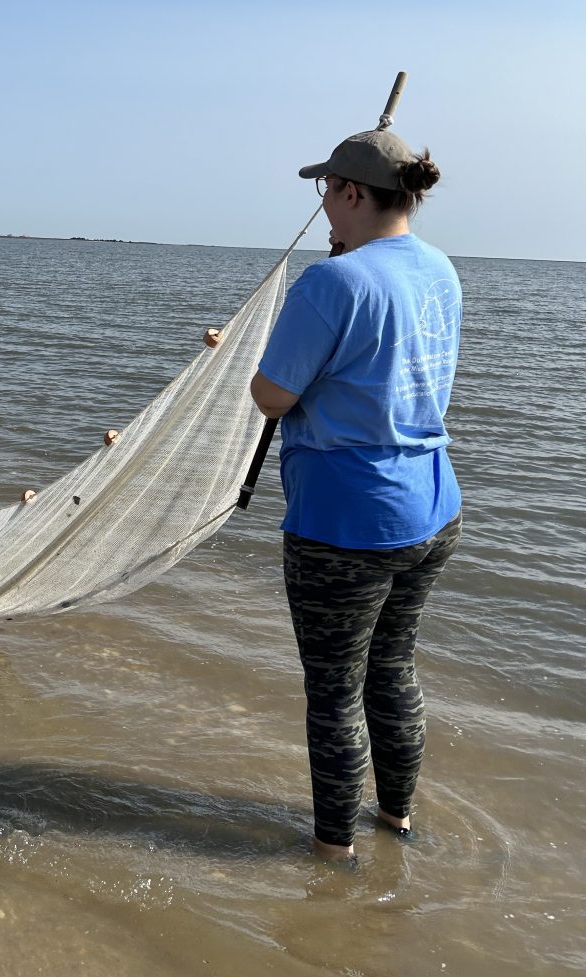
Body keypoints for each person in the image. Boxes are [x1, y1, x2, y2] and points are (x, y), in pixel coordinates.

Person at [250, 128, 463, 860]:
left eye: (327, 194)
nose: (326, 213)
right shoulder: (442, 269)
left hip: (347, 522)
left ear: (349, 192)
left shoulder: (332, 282)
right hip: (434, 510)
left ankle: (332, 858)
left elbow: (272, 396)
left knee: (335, 694)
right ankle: (397, 820)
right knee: (393, 669)